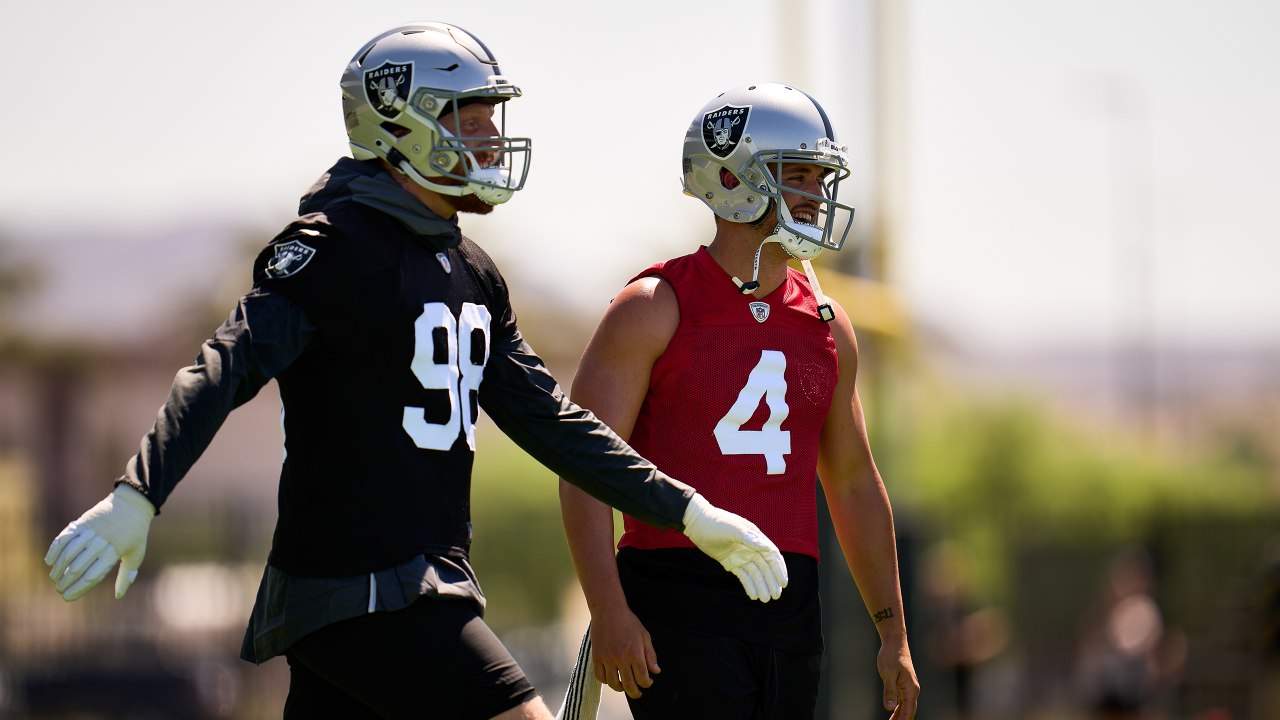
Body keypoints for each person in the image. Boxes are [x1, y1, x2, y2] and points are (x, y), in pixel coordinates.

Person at [42, 23, 790, 720]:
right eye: (468, 118)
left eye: (490, 118)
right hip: (365, 592)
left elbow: (555, 425)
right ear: (396, 124)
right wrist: (139, 493)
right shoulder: (334, 248)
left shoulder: (472, 271)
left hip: (405, 591)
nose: (491, 138)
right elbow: (223, 367)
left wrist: (687, 511)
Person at [558, 82, 920, 719]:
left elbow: (855, 481)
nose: (815, 194)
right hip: (678, 591)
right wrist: (608, 609)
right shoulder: (653, 306)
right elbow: (584, 468)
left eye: (819, 176)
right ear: (733, 178)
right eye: (797, 175)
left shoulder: (828, 325)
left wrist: (892, 631)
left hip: (790, 604)